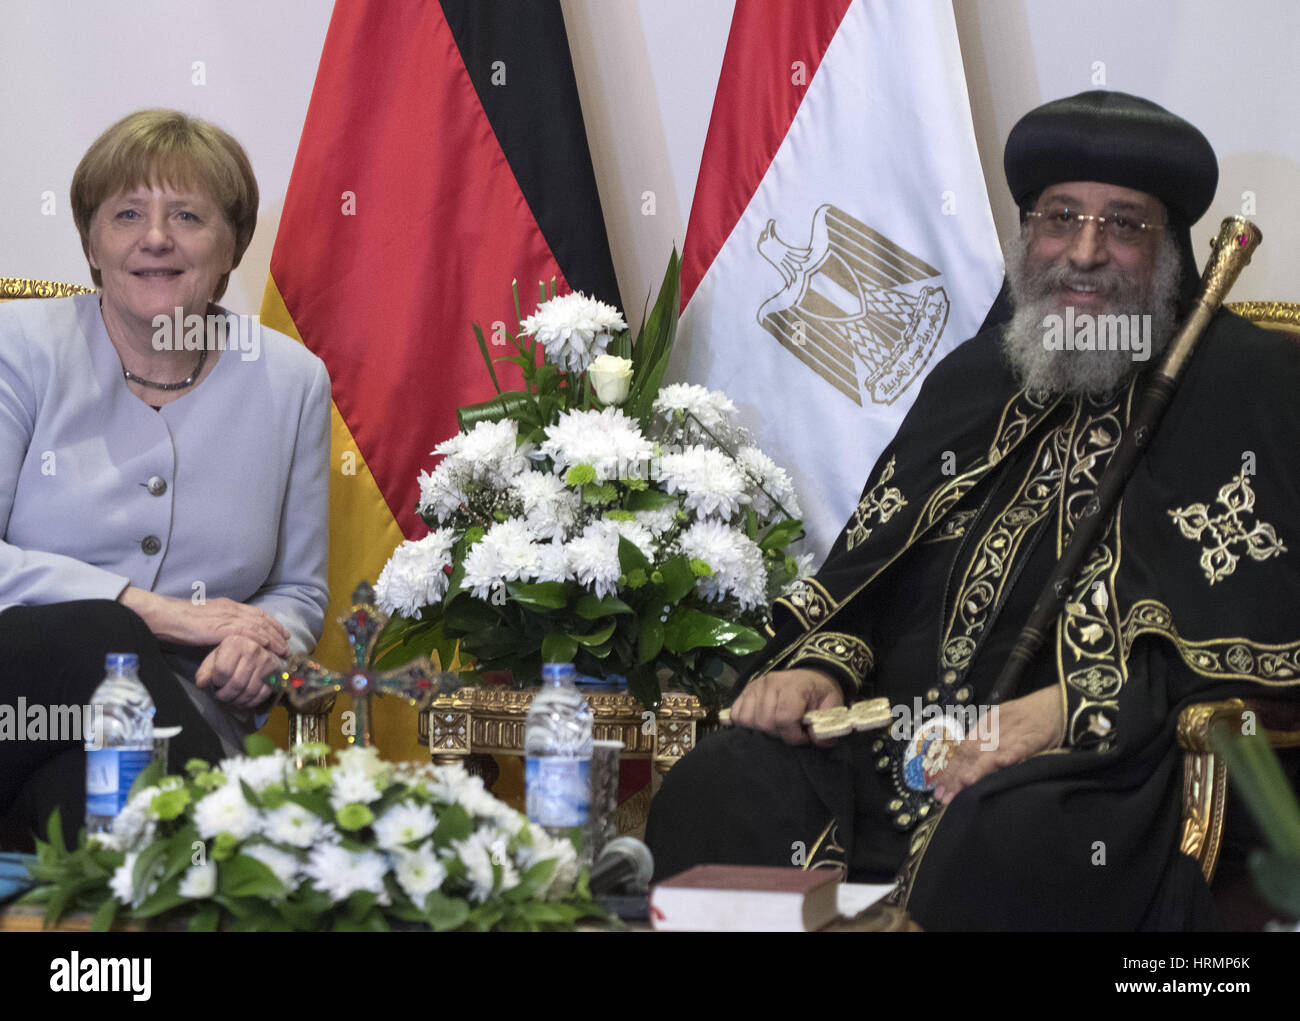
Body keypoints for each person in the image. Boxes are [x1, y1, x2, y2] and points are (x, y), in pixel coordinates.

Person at [645, 91, 1300, 930]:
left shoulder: (1242, 383)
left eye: (1124, 225)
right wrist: (823, 665)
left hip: (1102, 768)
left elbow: (1266, 636)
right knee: (725, 782)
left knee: (1004, 830)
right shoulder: (974, 380)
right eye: (1061, 217)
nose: (1086, 252)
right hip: (890, 745)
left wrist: (1067, 707)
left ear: (1169, 248)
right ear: (1028, 234)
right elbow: (868, 571)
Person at [0, 109, 330, 850]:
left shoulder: (292, 381)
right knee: (104, 632)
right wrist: (162, 613)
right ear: (91, 242)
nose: (156, 237)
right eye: (126, 214)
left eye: (187, 214)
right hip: (12, 691)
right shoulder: (17, 348)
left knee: (101, 811)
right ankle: (235, 844)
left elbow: (299, 590)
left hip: (167, 718)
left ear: (230, 247)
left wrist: (263, 644)